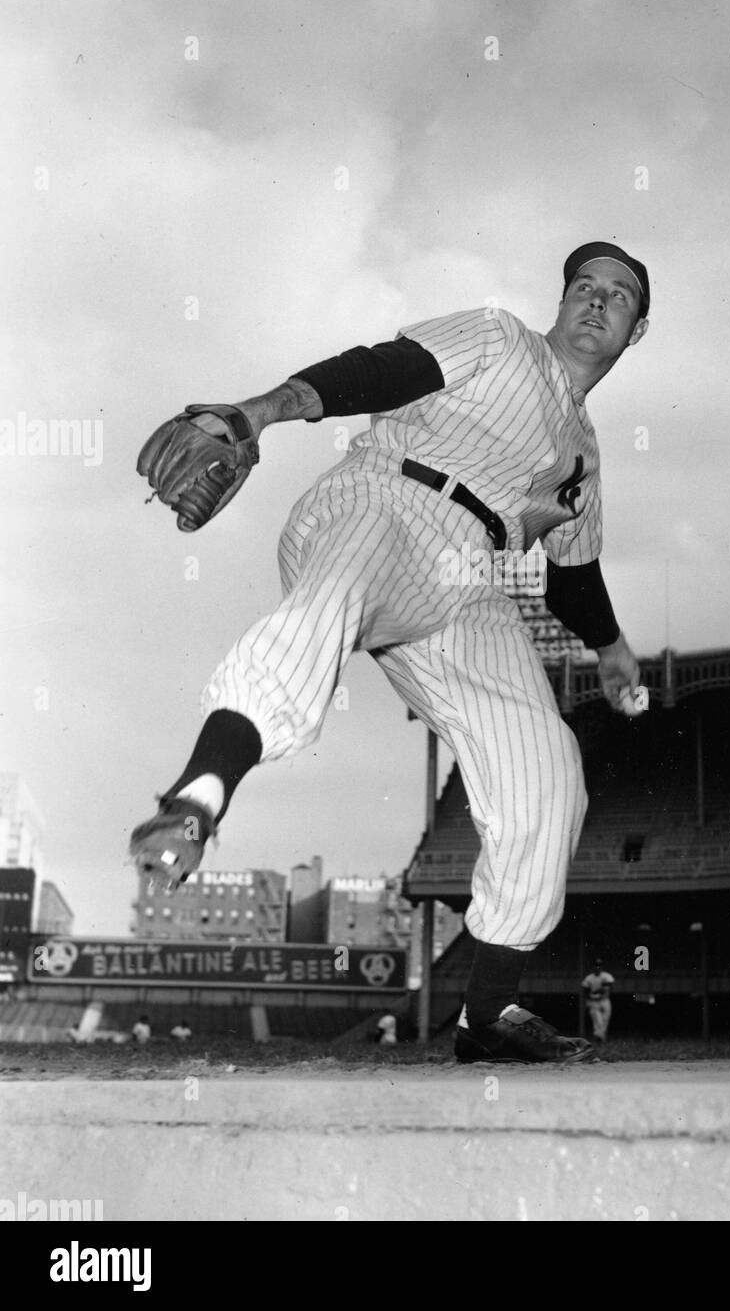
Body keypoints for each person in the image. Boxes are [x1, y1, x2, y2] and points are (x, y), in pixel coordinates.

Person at [130, 241, 651, 1064]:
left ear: (637, 329)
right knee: (326, 603)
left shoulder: (583, 459)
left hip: (463, 581)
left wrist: (613, 651)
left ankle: (488, 1017)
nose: (595, 301)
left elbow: (571, 577)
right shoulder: (499, 338)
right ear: (560, 302)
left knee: (547, 766)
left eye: (616, 295)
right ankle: (197, 796)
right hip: (382, 497)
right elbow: (385, 368)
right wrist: (258, 411)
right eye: (582, 286)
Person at [582, 959, 615, 1044]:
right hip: (593, 1001)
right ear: (593, 967)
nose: (597, 967)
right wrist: (589, 998)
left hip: (604, 1000)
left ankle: (600, 1038)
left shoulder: (606, 976)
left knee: (605, 1020)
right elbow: (585, 990)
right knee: (598, 1021)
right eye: (596, 965)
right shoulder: (589, 978)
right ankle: (600, 1039)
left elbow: (610, 986)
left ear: (602, 967)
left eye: (599, 965)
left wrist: (602, 991)